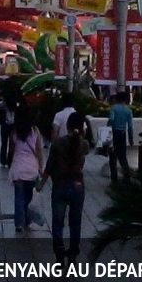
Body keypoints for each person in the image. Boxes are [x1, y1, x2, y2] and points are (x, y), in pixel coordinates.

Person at [40, 111, 89, 264]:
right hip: (77, 186)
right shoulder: (84, 144)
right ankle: (73, 252)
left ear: (67, 126)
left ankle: (59, 251)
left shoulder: (58, 143)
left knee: (58, 221)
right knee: (75, 221)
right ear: (82, 127)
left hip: (60, 185)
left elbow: (49, 166)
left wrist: (41, 184)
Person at [9, 110, 46, 233]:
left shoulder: (14, 132)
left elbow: (12, 151)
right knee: (29, 197)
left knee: (19, 198)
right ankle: (27, 220)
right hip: (31, 169)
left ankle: (19, 224)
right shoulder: (35, 131)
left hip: (18, 169)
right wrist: (41, 167)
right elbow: (39, 150)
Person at [107, 92, 135, 183]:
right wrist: (131, 139)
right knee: (123, 156)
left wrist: (107, 128)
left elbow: (111, 119)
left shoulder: (113, 108)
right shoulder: (128, 111)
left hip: (114, 133)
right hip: (122, 134)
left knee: (113, 156)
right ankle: (127, 176)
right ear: (125, 100)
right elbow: (130, 126)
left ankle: (114, 178)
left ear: (117, 99)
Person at [0, 99, 17, 167]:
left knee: (6, 143)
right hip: (10, 126)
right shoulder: (14, 107)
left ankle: (5, 160)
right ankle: (8, 160)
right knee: (10, 144)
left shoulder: (5, 105)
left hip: (8, 126)